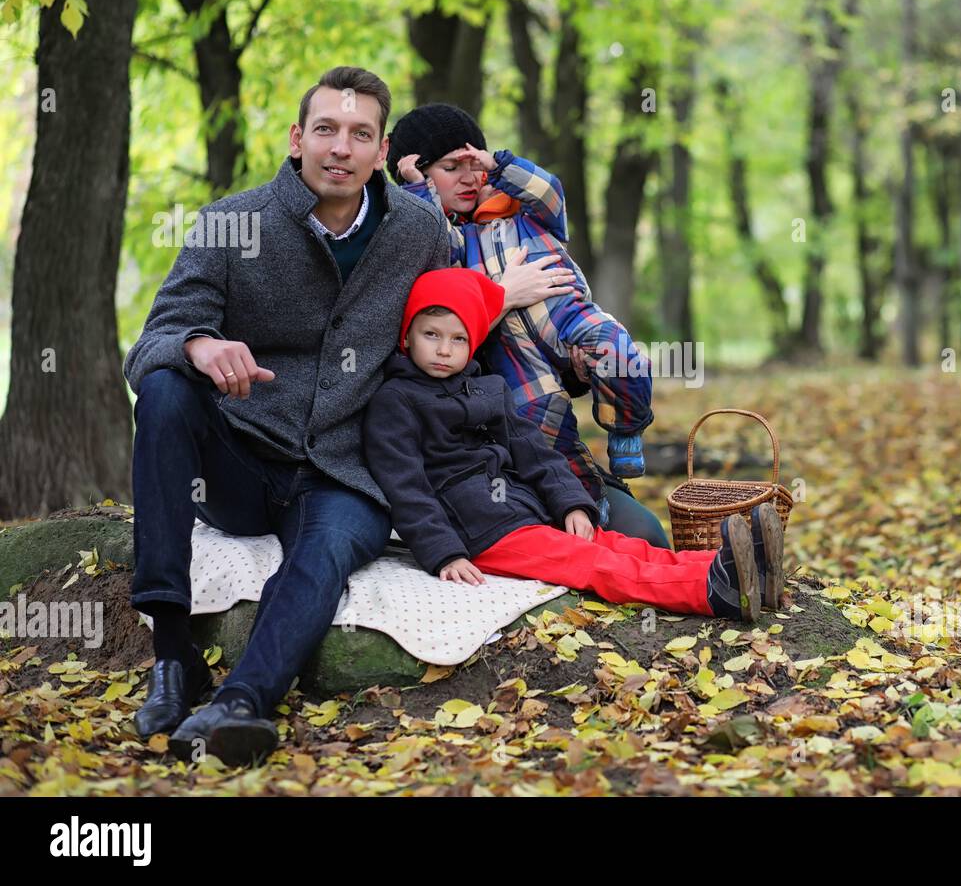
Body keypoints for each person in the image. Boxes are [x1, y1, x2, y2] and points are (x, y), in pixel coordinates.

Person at [122, 67, 578, 768]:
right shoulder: (229, 221)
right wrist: (201, 344)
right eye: (326, 130)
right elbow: (152, 341)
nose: (341, 147)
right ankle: (173, 656)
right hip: (241, 456)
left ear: (381, 148)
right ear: (299, 138)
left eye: (359, 134)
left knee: (324, 555)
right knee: (163, 388)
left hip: (347, 470)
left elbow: (450, 335)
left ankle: (242, 702)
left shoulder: (421, 230)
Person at [362, 268, 787, 623]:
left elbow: (535, 451)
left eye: (457, 339)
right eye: (431, 334)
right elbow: (407, 489)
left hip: (528, 511)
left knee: (620, 546)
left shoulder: (488, 388)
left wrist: (571, 505)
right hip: (480, 531)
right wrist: (444, 554)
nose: (443, 349)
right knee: (596, 565)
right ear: (407, 337)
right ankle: (712, 591)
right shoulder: (394, 402)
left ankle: (743, 567)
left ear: (473, 342)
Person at [385, 104, 670, 549]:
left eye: (472, 164)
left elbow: (548, 192)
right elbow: (438, 270)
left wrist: (499, 164)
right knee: (541, 424)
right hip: (479, 441)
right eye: (448, 167)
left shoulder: (521, 214)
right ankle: (580, 506)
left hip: (561, 325)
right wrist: (503, 294)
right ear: (414, 175)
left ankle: (622, 437)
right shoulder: (436, 246)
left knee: (619, 355)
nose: (467, 178)